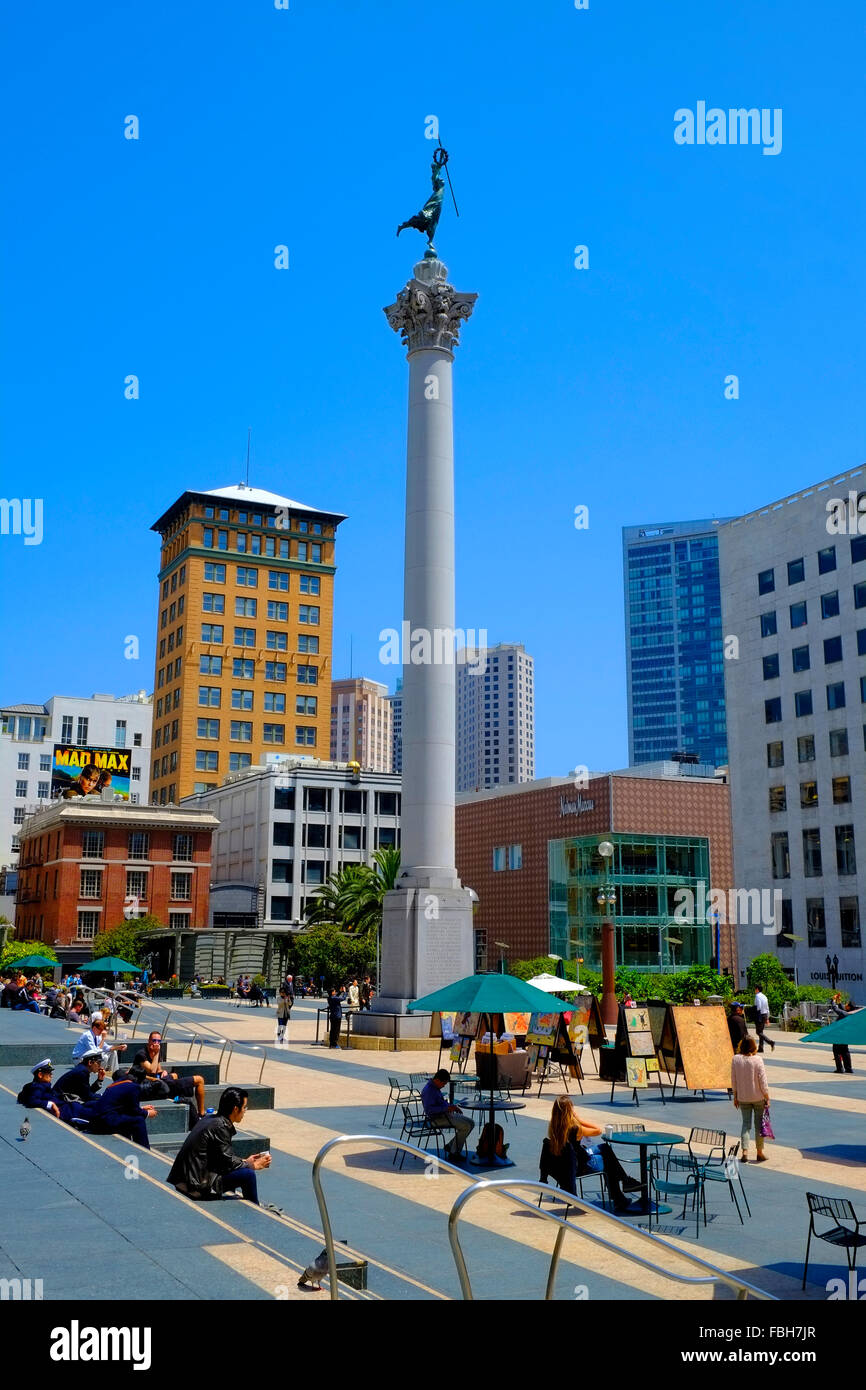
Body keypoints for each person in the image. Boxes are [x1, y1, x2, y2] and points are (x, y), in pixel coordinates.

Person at [167, 1086, 271, 1203]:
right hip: (196, 1185)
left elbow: (220, 1156)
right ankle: (255, 1209)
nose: (244, 1112)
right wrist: (251, 1165)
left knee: (242, 1168)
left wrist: (245, 1161)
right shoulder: (220, 1126)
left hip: (184, 1180)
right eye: (244, 1108)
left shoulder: (210, 1119)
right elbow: (227, 1162)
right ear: (236, 1109)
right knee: (248, 1175)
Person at [539, 1096, 639, 1213]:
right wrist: (578, 1118)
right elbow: (597, 1130)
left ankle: (622, 1192)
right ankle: (621, 1192)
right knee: (607, 1159)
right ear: (569, 1111)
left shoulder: (553, 1127)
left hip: (564, 1167)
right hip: (581, 1166)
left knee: (604, 1148)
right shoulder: (576, 1128)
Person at [129, 1031, 206, 1120]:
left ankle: (177, 1100)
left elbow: (158, 1069)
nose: (156, 1043)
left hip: (158, 1082)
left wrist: (163, 1072)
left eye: (158, 1041)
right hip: (150, 1085)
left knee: (174, 1075)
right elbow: (152, 1070)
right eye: (154, 1040)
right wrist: (157, 1053)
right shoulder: (142, 1054)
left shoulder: (155, 1051)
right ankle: (201, 1114)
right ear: (148, 1041)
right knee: (199, 1080)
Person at [84, 1070, 156, 1148]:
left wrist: (142, 1108)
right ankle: (144, 1149)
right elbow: (133, 1111)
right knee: (139, 1120)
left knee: (127, 1119)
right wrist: (147, 1113)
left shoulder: (115, 1085)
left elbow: (122, 1106)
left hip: (97, 1121)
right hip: (105, 1122)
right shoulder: (134, 1086)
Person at [731, 1036, 770, 1162]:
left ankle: (745, 1152)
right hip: (758, 1096)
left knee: (746, 1124)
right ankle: (759, 1152)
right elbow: (763, 1080)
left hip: (743, 1097)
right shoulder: (758, 1059)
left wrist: (735, 1096)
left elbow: (734, 1079)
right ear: (754, 1046)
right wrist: (767, 1096)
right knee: (759, 1125)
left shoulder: (735, 1059)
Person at [421, 1070, 474, 1159]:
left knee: (471, 1122)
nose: (444, 1086)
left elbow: (440, 1103)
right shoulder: (429, 1091)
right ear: (437, 1080)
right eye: (443, 1083)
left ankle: (450, 1146)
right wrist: (447, 1108)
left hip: (444, 1115)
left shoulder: (435, 1088)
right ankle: (454, 1153)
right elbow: (429, 1110)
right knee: (466, 1126)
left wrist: (451, 1107)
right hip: (436, 1119)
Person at [829, 993, 853, 1074]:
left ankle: (840, 1068)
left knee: (836, 1051)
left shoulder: (844, 1014)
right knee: (845, 1051)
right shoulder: (851, 1013)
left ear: (849, 1007)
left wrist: (833, 1000)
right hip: (847, 1035)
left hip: (839, 1035)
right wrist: (839, 1002)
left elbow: (835, 1009)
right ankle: (848, 1068)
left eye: (847, 1004)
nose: (845, 1005)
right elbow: (842, 1009)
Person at [753, 985, 775, 1052]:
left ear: (757, 989)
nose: (754, 990)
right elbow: (767, 1008)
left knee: (758, 1032)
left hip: (759, 1015)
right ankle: (761, 1048)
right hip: (765, 1015)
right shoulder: (765, 996)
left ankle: (770, 1042)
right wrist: (767, 1018)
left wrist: (754, 1011)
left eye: (755, 989)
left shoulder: (757, 996)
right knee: (761, 1031)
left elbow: (758, 1007)